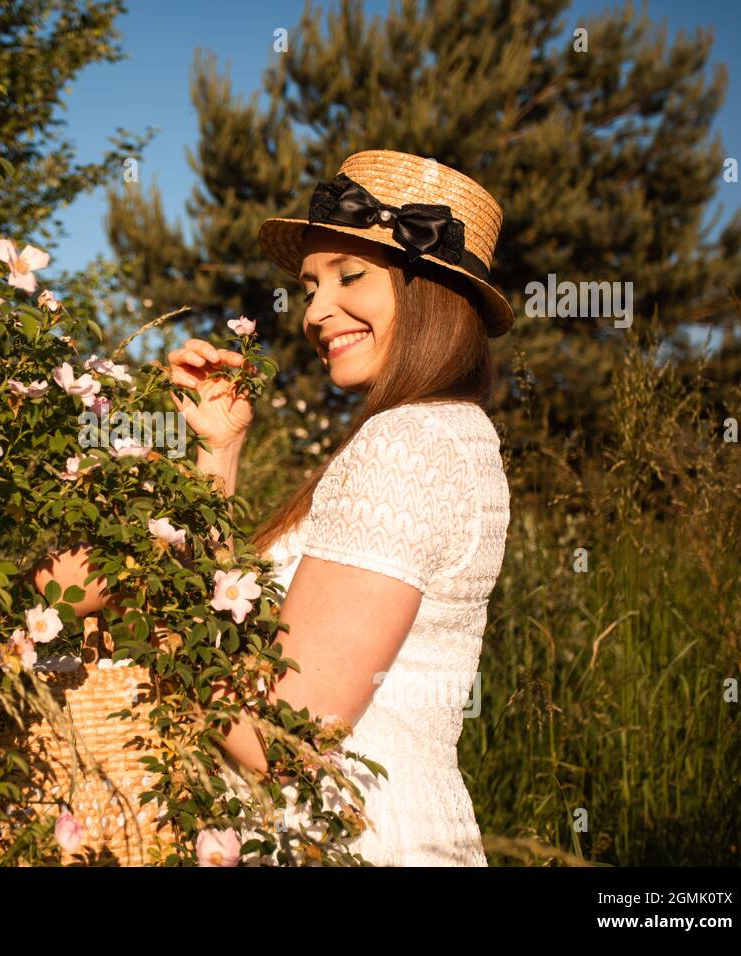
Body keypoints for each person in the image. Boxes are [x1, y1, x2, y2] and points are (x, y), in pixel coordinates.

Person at [163, 149, 514, 865]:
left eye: (350, 276)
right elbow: (250, 636)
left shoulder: (408, 443)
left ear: (430, 291)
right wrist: (219, 449)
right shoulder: (446, 433)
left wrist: (151, 623)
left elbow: (279, 736)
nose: (316, 311)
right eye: (311, 284)